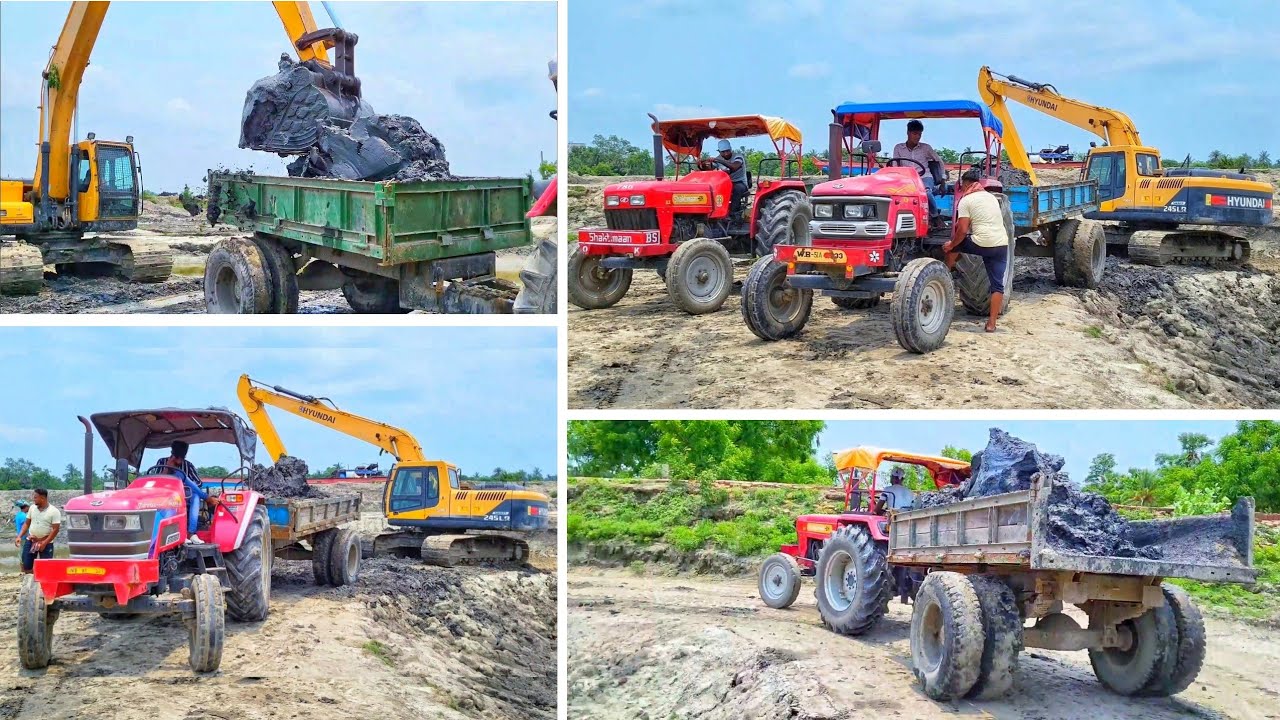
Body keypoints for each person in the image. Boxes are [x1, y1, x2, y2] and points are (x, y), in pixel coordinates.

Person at [944, 168, 1010, 332]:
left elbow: (962, 230)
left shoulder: (966, 200)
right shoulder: (991, 198)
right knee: (997, 286)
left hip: (981, 242)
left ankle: (946, 274)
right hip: (1001, 244)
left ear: (965, 184)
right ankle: (992, 323)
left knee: (953, 246)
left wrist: (951, 245)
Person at [892, 120, 945, 223]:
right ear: (908, 133)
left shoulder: (926, 148)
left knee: (925, 192)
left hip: (924, 176)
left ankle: (935, 216)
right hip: (907, 179)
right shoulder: (898, 148)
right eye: (915, 134)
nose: (917, 137)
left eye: (920, 134)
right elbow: (895, 166)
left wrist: (943, 179)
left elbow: (940, 162)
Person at [161, 441, 211, 542]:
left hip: (184, 495)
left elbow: (198, 483)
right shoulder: (162, 462)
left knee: (195, 495)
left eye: (182, 457)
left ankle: (191, 533)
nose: (180, 460)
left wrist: (184, 485)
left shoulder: (188, 465)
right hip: (165, 494)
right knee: (179, 474)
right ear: (172, 452)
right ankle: (206, 497)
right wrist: (168, 467)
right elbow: (157, 480)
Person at [15, 489, 60, 574]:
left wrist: (44, 543)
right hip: (31, 540)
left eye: (35, 497)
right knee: (26, 565)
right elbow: (26, 524)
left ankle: (42, 584)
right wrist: (19, 536)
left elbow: (55, 530)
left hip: (46, 542)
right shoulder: (32, 508)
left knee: (45, 567)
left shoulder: (54, 511)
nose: (33, 499)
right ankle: (32, 580)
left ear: (42, 498)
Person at [703, 139, 748, 217]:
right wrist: (703, 164)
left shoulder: (738, 157)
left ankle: (733, 213)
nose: (726, 153)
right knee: (712, 189)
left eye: (727, 151)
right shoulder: (719, 158)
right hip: (725, 183)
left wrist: (718, 160)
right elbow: (709, 168)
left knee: (737, 189)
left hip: (739, 182)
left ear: (731, 149)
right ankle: (713, 212)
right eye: (723, 152)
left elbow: (734, 167)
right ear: (719, 152)